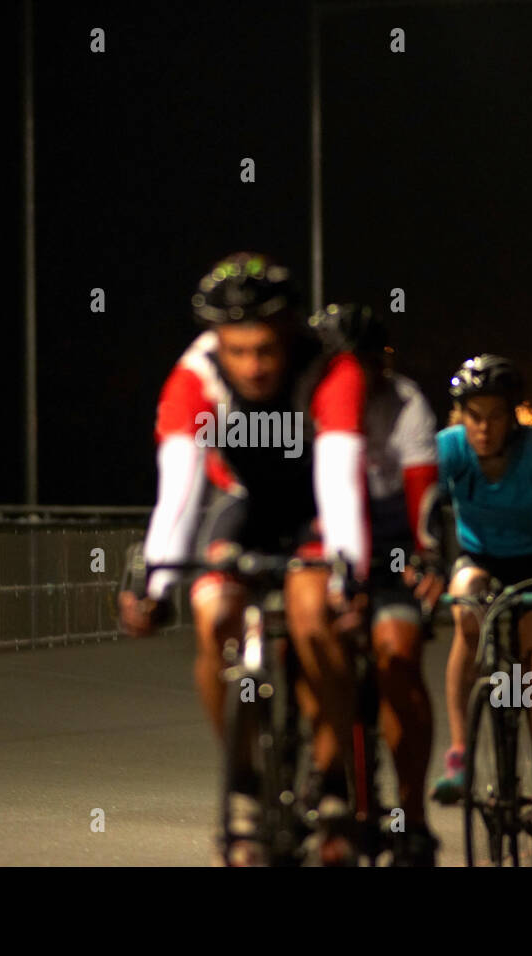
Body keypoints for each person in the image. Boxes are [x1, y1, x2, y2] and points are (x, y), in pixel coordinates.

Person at [118, 253, 370, 865]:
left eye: (265, 349)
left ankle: (338, 784)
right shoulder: (193, 375)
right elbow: (179, 492)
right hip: (242, 504)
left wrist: (349, 573)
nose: (252, 366)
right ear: (216, 342)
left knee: (314, 618)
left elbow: (340, 482)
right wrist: (154, 578)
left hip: (312, 510)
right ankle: (244, 783)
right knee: (214, 617)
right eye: (236, 350)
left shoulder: (331, 369)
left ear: (288, 333)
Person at [430, 354, 532, 863]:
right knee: (465, 611)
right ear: (461, 415)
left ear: (513, 414)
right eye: (474, 414)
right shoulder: (449, 447)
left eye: (495, 414)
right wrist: (423, 558)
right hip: (481, 558)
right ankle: (459, 754)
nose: (484, 426)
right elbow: (425, 503)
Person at [309, 303, 445, 865]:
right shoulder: (305, 397)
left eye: (365, 365)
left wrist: (429, 556)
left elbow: (422, 496)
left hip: (392, 541)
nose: (354, 379)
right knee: (315, 649)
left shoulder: (408, 401)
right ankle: (330, 791)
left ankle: (411, 816)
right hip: (326, 538)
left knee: (398, 656)